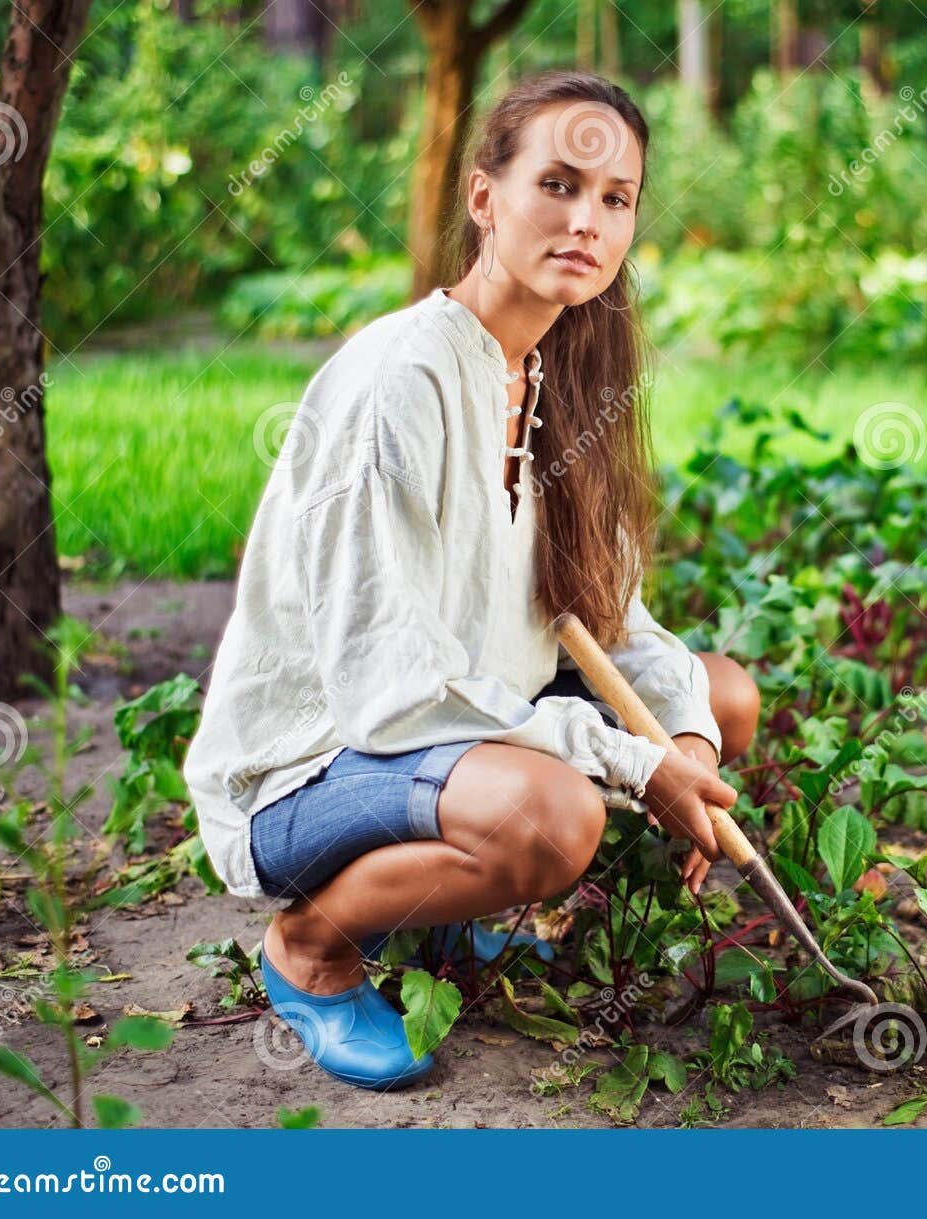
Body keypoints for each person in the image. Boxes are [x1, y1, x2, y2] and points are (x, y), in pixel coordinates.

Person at [182, 70, 760, 1091]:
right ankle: (311, 949)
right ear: (484, 198)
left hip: (450, 734)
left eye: (616, 198)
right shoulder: (402, 380)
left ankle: (445, 925)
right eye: (559, 184)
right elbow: (391, 690)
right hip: (321, 761)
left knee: (717, 696)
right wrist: (627, 764)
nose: (588, 220)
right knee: (557, 815)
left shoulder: (548, 370)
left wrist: (680, 741)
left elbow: (607, 620)